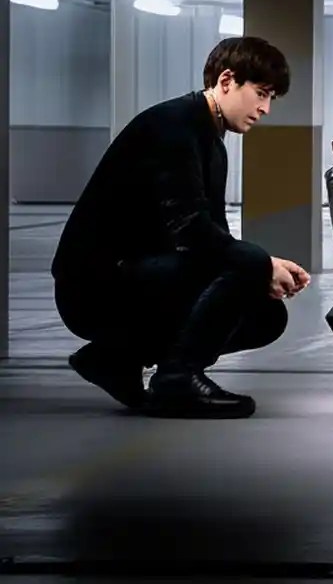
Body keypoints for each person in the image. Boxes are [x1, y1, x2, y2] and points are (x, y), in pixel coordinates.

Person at [52, 36, 311, 418]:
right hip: (94, 287)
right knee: (251, 265)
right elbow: (192, 232)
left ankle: (114, 357)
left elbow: (212, 235)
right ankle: (177, 379)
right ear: (227, 81)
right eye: (261, 93)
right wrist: (260, 263)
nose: (266, 108)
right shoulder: (172, 126)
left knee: (265, 315)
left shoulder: (209, 139)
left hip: (141, 273)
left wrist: (261, 269)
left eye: (271, 97)